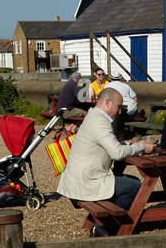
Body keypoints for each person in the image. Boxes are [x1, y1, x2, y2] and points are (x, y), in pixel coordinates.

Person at [56, 87, 156, 236]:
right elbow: (116, 153)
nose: (120, 111)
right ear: (108, 103)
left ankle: (102, 223)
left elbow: (112, 145)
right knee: (135, 187)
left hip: (77, 179)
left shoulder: (94, 116)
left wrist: (135, 146)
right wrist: (141, 146)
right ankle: (104, 227)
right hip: (85, 182)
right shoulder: (100, 122)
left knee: (131, 181)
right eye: (119, 107)